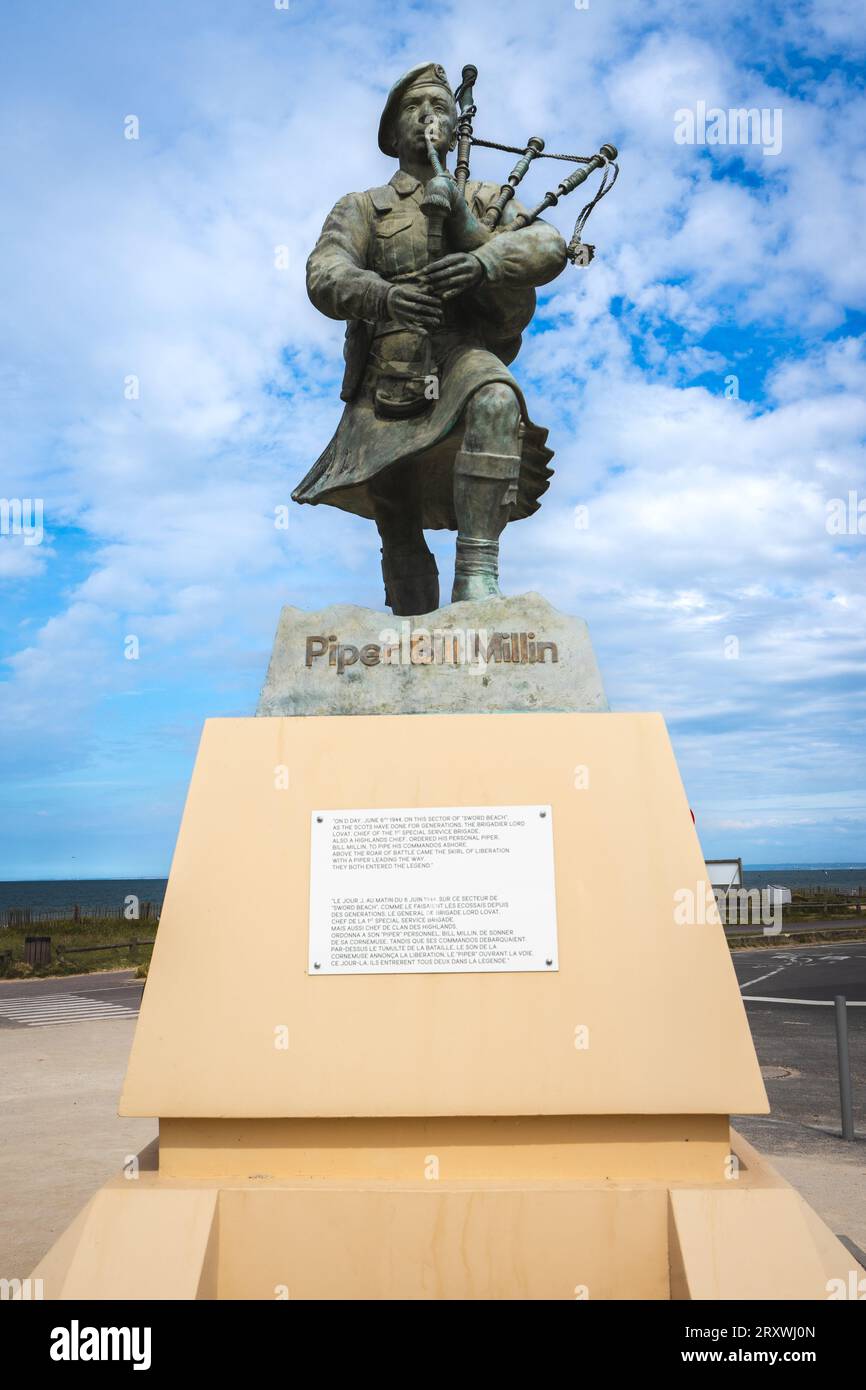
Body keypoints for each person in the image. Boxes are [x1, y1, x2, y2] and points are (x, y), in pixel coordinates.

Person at [293, 62, 567, 615]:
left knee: (496, 398)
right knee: (395, 512)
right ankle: (410, 633)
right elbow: (324, 274)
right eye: (414, 109)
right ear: (393, 133)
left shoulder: (485, 196)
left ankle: (478, 579)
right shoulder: (363, 207)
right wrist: (382, 296)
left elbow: (550, 247)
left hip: (459, 350)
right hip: (387, 369)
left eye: (440, 107)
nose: (428, 118)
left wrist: (482, 255)